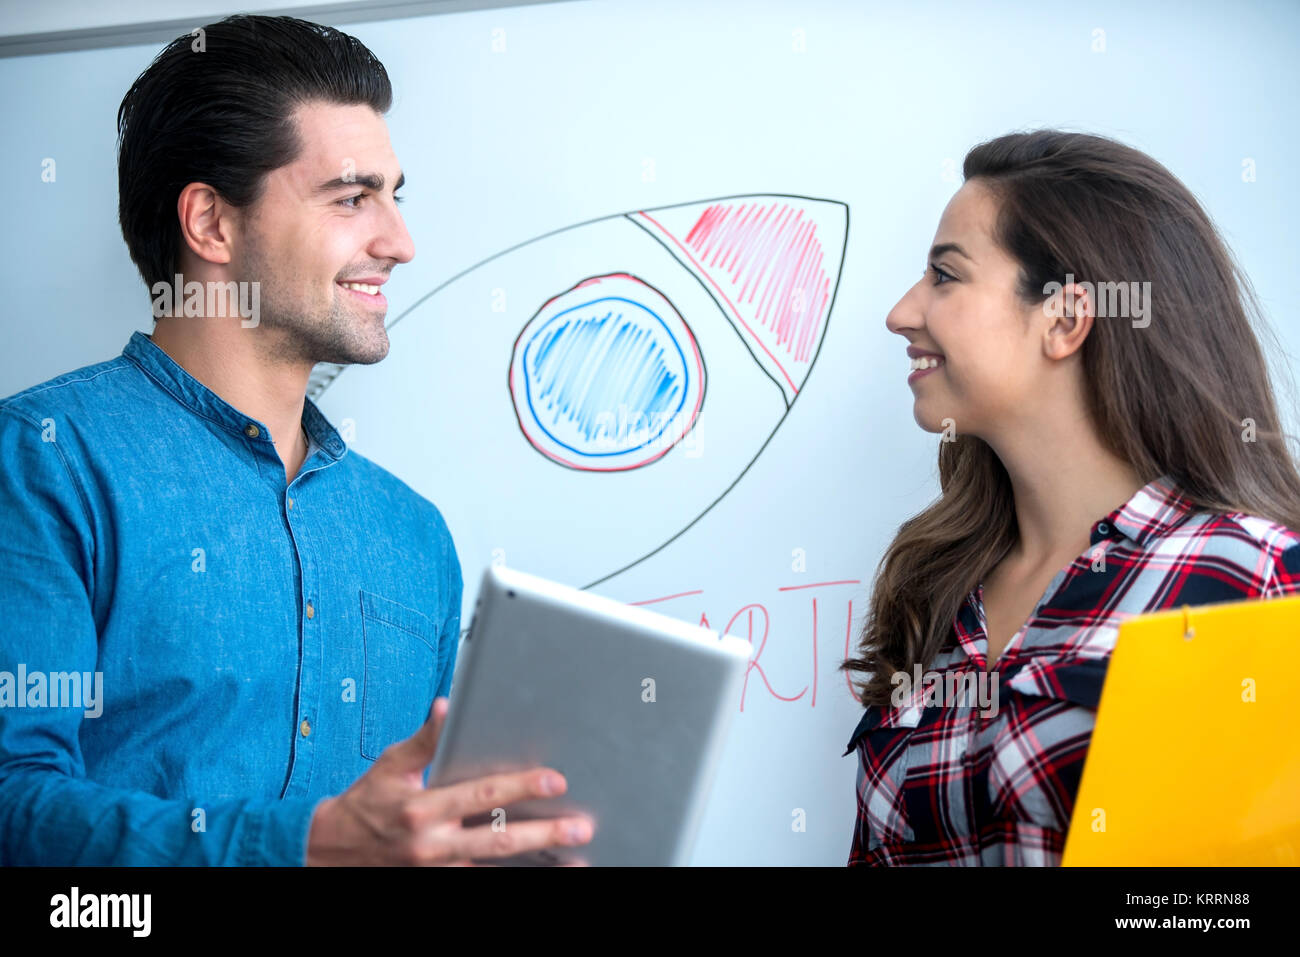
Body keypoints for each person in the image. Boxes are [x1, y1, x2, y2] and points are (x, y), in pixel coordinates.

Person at [0, 14, 593, 866]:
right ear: (211, 223)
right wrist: (307, 845)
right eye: (352, 197)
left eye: (394, 195)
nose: (399, 242)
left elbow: (412, 830)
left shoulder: (413, 535)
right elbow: (12, 801)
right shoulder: (44, 460)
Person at [841, 129, 1300, 866]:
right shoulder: (936, 592)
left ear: (1064, 318)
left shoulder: (1257, 579)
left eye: (946, 276)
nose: (902, 312)